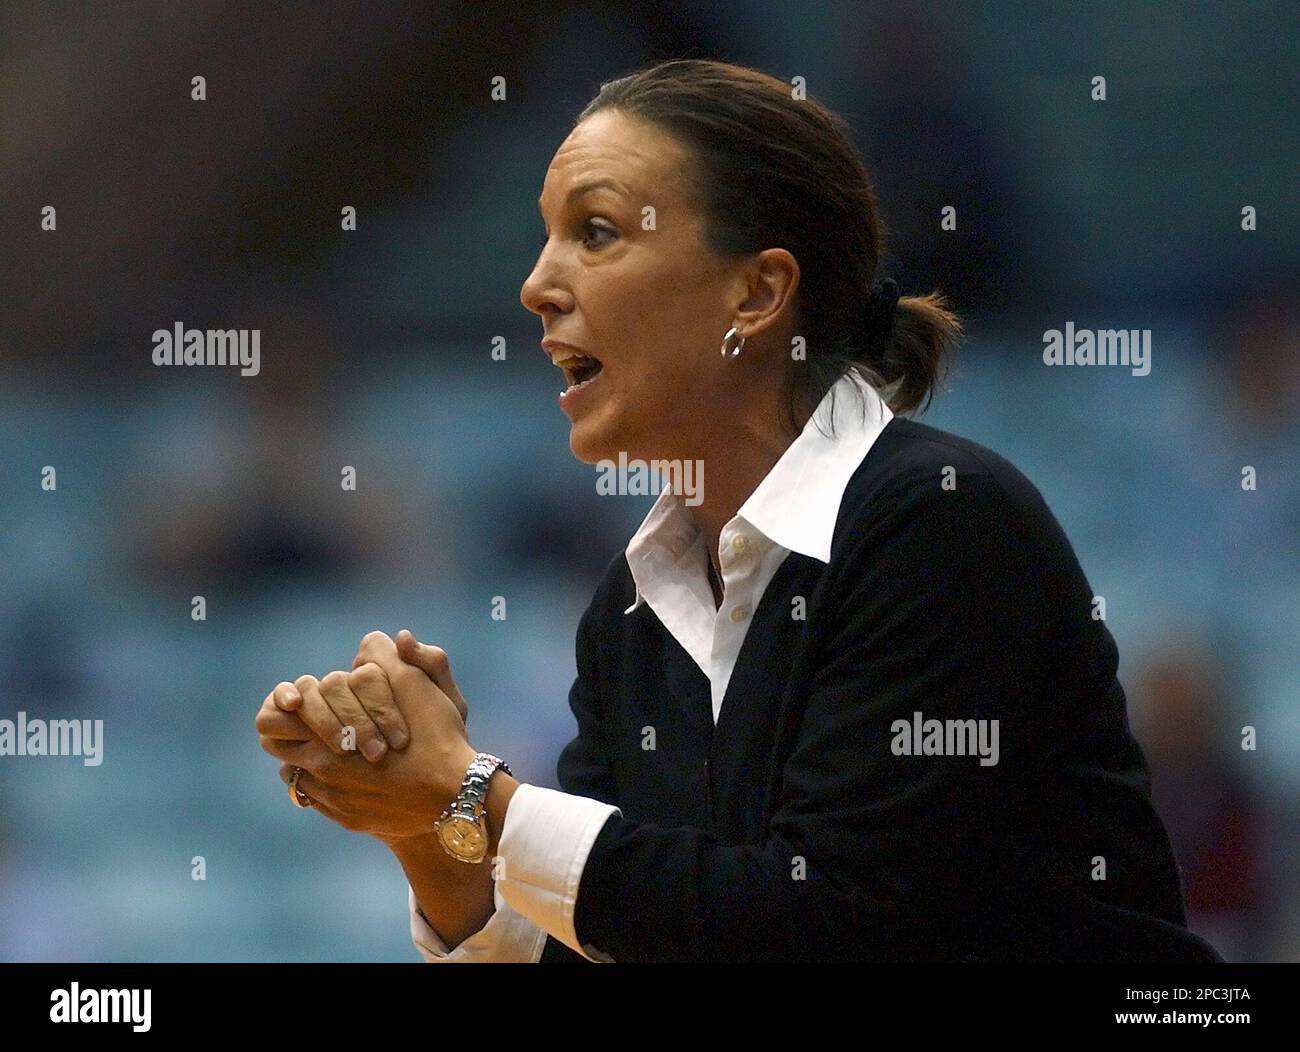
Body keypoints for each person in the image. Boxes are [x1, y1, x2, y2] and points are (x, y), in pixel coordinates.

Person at [255, 58, 1223, 962]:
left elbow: (825, 922)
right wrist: (427, 827)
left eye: (595, 231)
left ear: (756, 294)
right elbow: (639, 931)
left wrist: (469, 789)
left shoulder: (941, 520)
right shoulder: (630, 611)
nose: (537, 284)